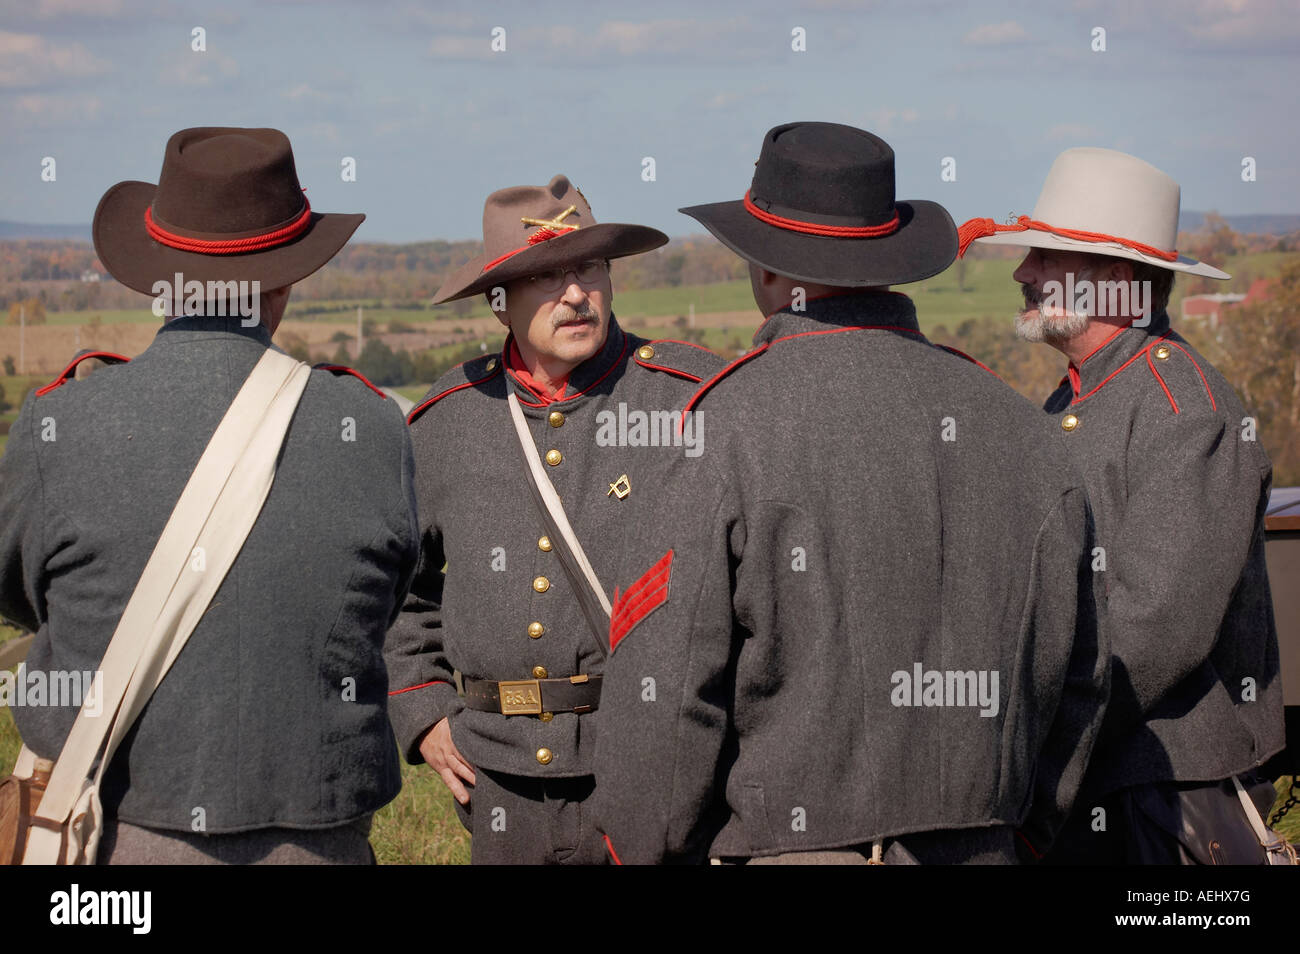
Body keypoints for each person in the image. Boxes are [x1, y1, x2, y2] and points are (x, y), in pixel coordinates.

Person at [592, 121, 1110, 865]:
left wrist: (644, 848)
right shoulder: (1020, 423)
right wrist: (1020, 833)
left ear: (766, 270)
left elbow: (667, 692)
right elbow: (1081, 675)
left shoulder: (724, 425)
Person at [0, 127, 419, 864]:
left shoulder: (58, 424)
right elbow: (384, 599)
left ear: (158, 272)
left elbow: (20, 595)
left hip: (110, 838)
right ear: (289, 276)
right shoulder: (373, 428)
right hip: (316, 841)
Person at [385, 174, 724, 864]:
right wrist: (421, 709)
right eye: (546, 276)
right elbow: (396, 589)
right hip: (497, 785)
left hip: (654, 771)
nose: (576, 293)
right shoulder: (448, 419)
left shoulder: (692, 403)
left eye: (589, 268)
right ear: (498, 302)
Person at [959, 147, 1286, 863]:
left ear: (1114, 277)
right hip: (1097, 791)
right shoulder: (1083, 394)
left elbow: (1152, 635)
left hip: (1164, 803)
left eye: (1046, 256)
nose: (1022, 273)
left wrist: (1026, 750)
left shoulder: (1184, 411)